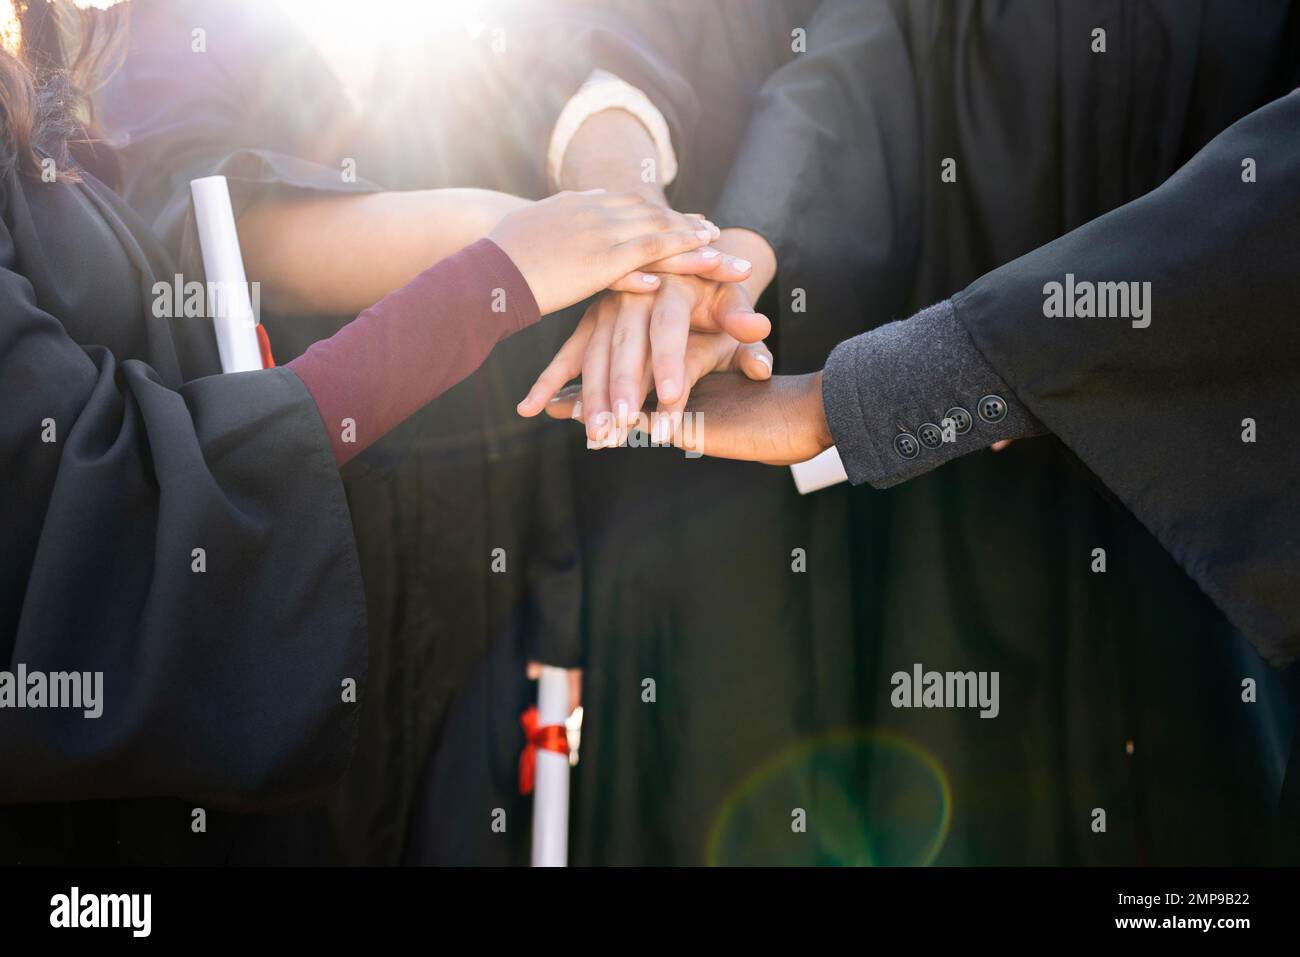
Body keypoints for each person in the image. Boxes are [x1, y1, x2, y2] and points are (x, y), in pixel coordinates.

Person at [530, 0, 1300, 863]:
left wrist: (876, 390)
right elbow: (845, 73)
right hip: (917, 516)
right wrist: (727, 259)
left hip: (1184, 527)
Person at [0, 0, 719, 863]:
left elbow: (595, 67)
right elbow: (98, 489)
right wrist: (512, 260)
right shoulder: (182, 36)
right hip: (306, 601)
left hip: (470, 571)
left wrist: (648, 242)